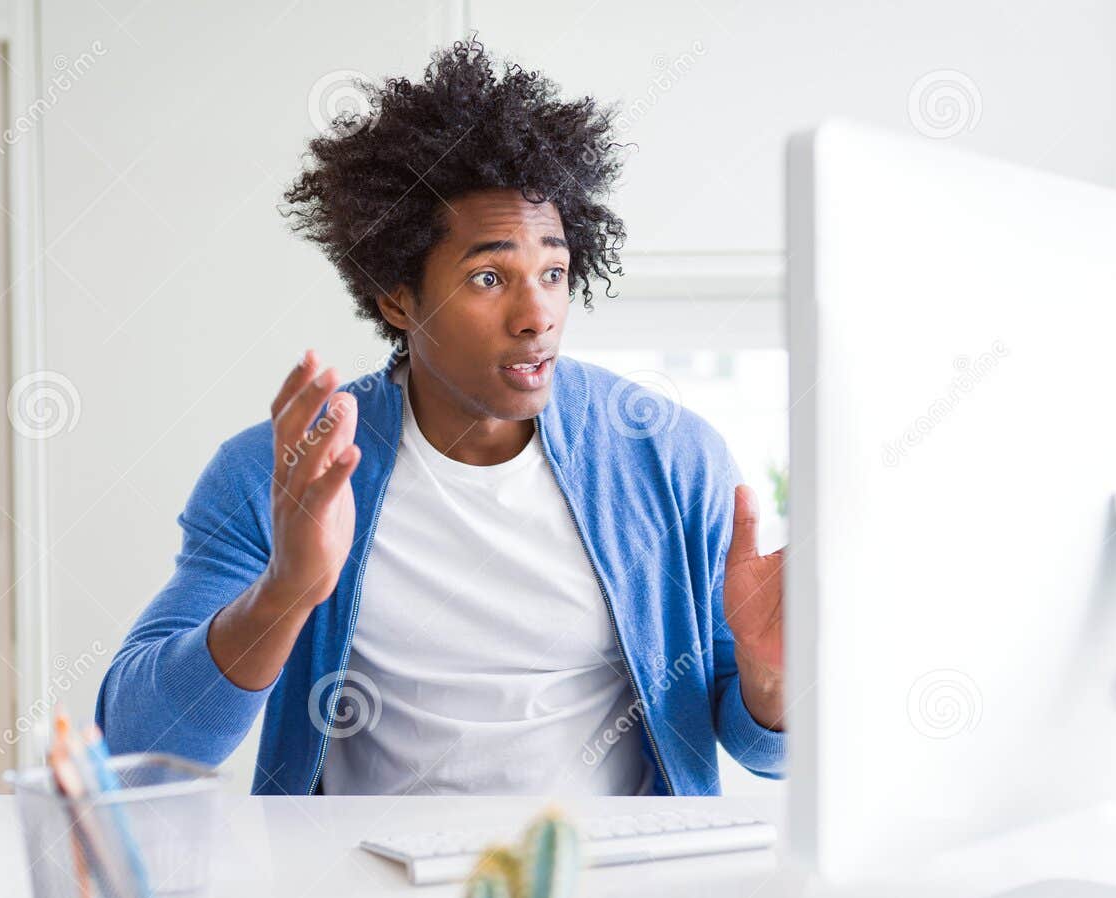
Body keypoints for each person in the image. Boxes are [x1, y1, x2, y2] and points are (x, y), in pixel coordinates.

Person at [94, 38, 785, 795]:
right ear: (398, 299)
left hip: (603, 867)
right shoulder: (284, 473)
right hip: (359, 868)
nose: (537, 315)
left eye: (553, 272)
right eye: (489, 277)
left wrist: (772, 678)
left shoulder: (669, 457)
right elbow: (136, 742)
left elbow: (763, 749)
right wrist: (285, 591)